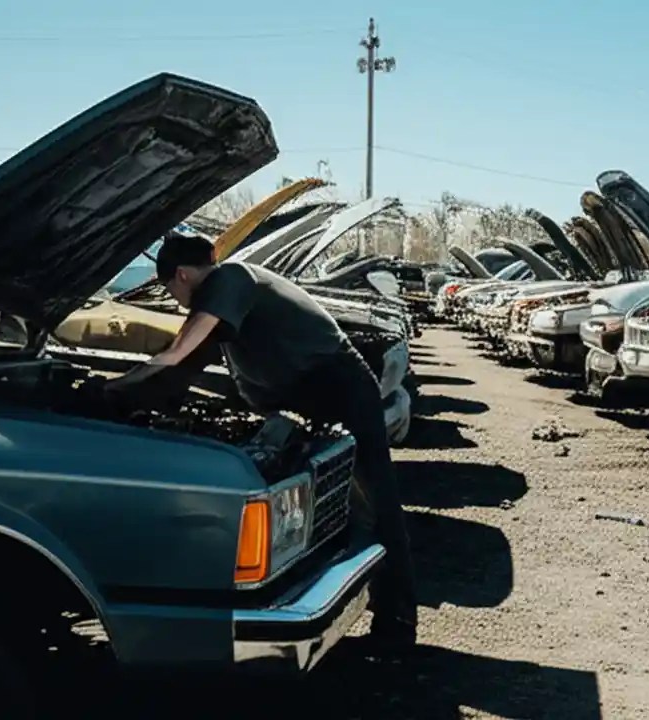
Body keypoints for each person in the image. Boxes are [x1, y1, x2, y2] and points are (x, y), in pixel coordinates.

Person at [106, 231, 418, 654]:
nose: (176, 300)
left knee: (376, 502)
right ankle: (344, 597)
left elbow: (177, 354)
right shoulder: (225, 297)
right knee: (335, 509)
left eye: (170, 290)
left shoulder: (229, 280)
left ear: (180, 275)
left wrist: (107, 394)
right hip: (312, 396)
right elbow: (184, 371)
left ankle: (397, 624)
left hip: (341, 389)